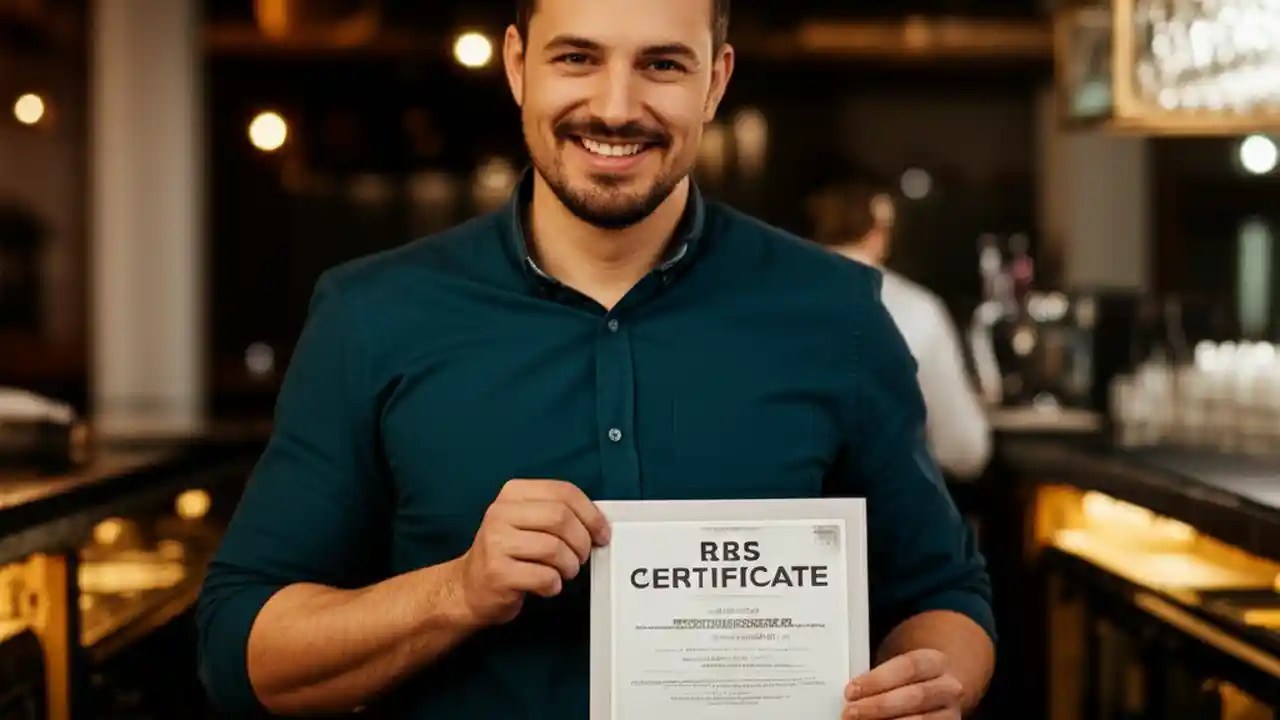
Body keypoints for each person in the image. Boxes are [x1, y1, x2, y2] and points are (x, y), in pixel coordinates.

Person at [196, 1, 996, 718]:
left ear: (715, 81)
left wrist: (931, 686)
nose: (616, 107)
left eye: (662, 64)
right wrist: (457, 591)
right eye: (577, 57)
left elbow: (945, 595)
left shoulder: (837, 312)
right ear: (518, 65)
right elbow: (240, 650)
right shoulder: (371, 315)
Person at [807, 174, 993, 479]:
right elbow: (964, 448)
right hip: (882, 497)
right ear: (878, 233)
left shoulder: (768, 300)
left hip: (784, 500)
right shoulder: (916, 310)